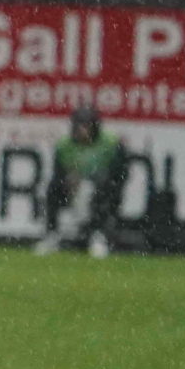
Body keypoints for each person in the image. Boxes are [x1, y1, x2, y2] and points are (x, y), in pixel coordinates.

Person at [37, 106, 125, 257]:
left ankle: (98, 236)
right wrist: (67, 180)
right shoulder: (64, 145)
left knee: (104, 190)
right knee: (52, 189)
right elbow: (57, 173)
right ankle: (52, 234)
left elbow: (120, 174)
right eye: (78, 126)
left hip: (101, 189)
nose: (82, 131)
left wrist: (96, 180)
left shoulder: (111, 143)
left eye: (86, 126)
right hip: (72, 187)